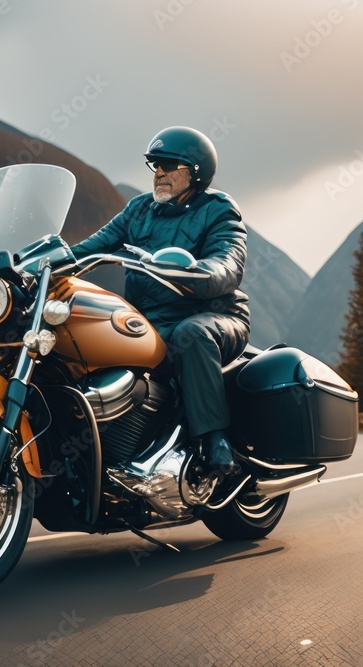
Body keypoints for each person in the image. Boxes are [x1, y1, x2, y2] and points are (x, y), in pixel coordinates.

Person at [71, 126, 250, 476]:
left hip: (214, 316)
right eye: (156, 165)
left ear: (195, 172)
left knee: (189, 334)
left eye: (170, 165)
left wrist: (199, 271)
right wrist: (38, 259)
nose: (160, 173)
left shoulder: (219, 210)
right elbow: (90, 247)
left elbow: (229, 261)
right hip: (149, 319)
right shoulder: (139, 210)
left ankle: (215, 441)